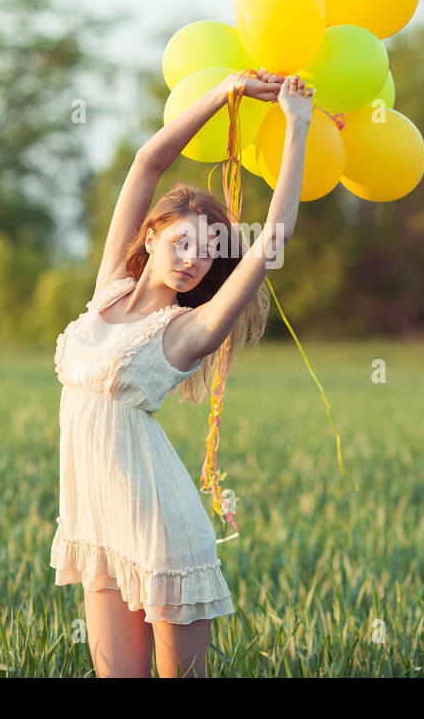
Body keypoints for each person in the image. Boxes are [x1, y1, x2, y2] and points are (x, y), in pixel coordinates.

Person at [50, 70, 314, 677]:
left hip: (162, 532)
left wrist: (296, 126)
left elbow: (272, 239)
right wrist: (226, 93)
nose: (196, 259)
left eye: (211, 250)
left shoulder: (185, 332)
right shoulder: (108, 289)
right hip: (98, 529)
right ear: (153, 234)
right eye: (184, 243)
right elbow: (148, 162)